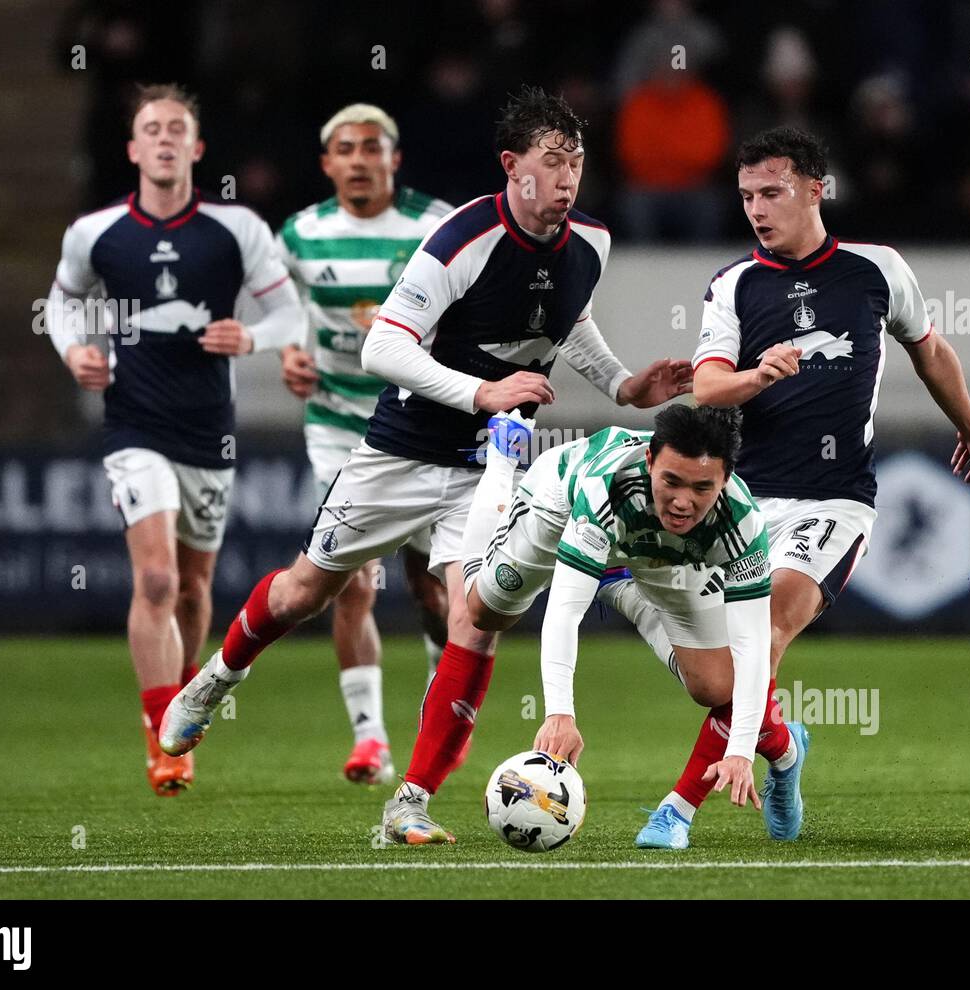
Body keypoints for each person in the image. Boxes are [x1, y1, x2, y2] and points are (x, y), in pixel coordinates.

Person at [157, 86, 692, 843]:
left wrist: (625, 385)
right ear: (512, 167)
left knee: (472, 615)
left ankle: (408, 802)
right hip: (401, 451)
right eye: (552, 160)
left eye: (577, 159)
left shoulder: (592, 243)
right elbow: (383, 347)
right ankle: (215, 681)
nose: (568, 175)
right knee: (308, 590)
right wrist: (484, 391)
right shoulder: (460, 237)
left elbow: (565, 323)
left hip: (489, 468)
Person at [605, 125, 970, 848]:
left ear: (818, 189)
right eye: (747, 194)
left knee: (770, 632)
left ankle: (678, 809)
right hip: (744, 504)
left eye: (773, 191)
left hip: (834, 500)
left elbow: (931, 350)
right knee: (713, 682)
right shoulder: (735, 284)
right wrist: (757, 377)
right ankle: (784, 751)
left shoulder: (876, 269)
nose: (757, 207)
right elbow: (708, 387)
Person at [44, 84, 303, 795]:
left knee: (192, 590)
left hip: (207, 430)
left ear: (196, 148)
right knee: (155, 578)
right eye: (150, 129)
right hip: (133, 424)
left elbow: (290, 316)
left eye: (176, 129)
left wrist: (251, 334)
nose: (163, 139)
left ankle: (182, 700)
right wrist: (75, 353)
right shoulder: (95, 234)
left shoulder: (237, 229)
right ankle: (163, 731)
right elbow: (63, 305)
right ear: (132, 149)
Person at [457, 406, 771, 817]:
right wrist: (559, 714)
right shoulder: (605, 488)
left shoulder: (742, 523)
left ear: (726, 480)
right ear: (649, 461)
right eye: (670, 481)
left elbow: (753, 642)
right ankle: (501, 459)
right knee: (484, 612)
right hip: (562, 505)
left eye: (701, 488)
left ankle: (614, 577)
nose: (682, 502)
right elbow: (566, 609)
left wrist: (741, 752)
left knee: (714, 687)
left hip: (657, 549)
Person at [275, 103, 454, 785]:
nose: (358, 159)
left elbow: (463, 305)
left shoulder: (434, 225)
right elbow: (281, 312)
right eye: (344, 148)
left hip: (418, 418)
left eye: (371, 147)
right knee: (351, 580)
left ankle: (442, 706)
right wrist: (291, 353)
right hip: (337, 424)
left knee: (432, 589)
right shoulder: (300, 234)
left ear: (393, 159)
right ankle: (371, 740)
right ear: (327, 163)